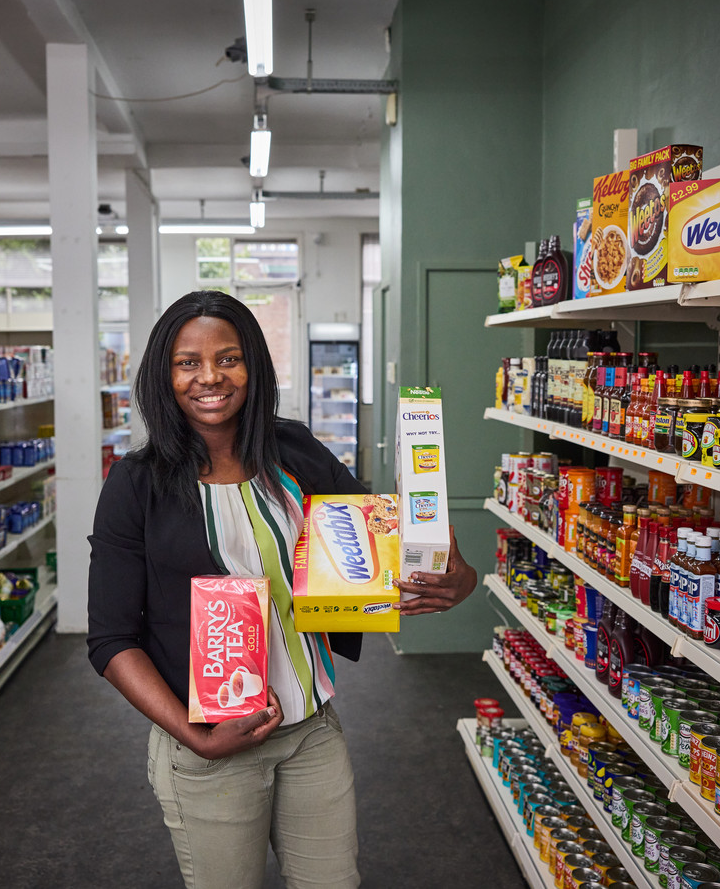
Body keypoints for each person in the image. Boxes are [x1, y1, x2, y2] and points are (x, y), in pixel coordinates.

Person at [87, 290, 477, 889]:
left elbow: (381, 539)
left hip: (311, 730)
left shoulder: (291, 449)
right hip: (209, 743)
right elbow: (112, 640)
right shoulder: (136, 484)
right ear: (163, 376)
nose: (210, 377)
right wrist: (197, 738)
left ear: (255, 366)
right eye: (188, 363)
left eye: (229, 358)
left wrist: (454, 574)